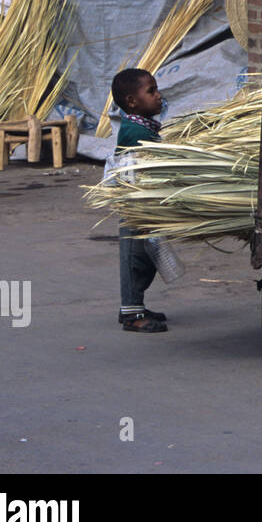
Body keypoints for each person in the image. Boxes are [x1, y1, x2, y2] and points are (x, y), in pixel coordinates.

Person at [112, 68, 168, 334]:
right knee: (135, 257)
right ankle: (132, 313)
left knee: (146, 258)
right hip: (136, 204)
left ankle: (137, 305)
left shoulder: (142, 126)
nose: (159, 96)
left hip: (143, 202)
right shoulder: (136, 133)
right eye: (151, 91)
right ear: (132, 102)